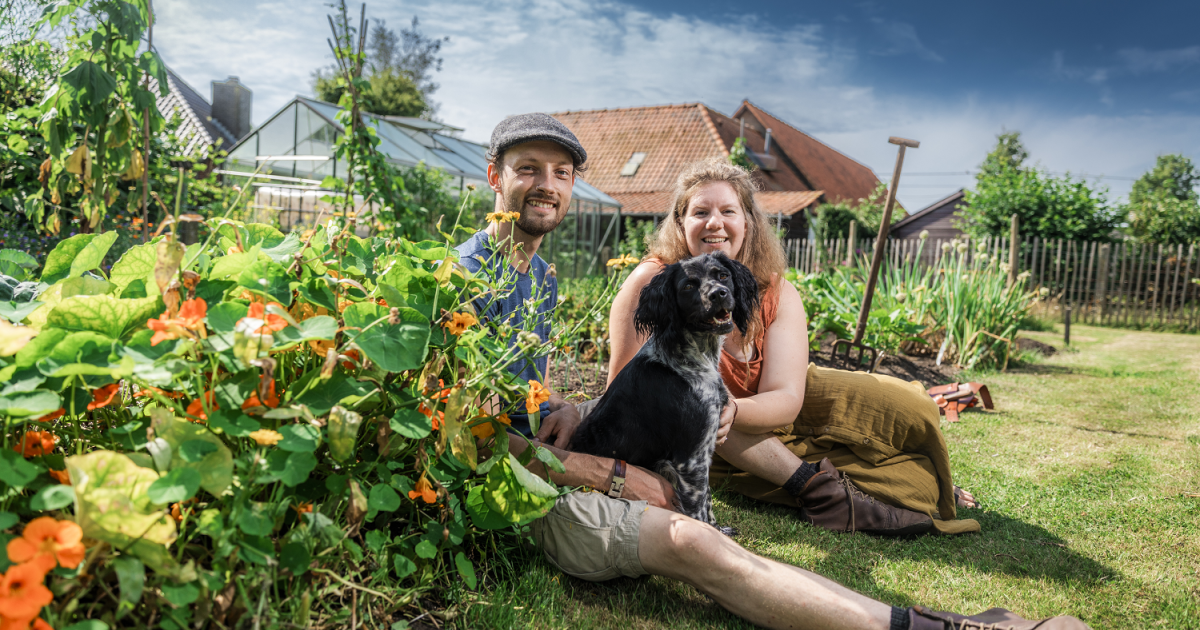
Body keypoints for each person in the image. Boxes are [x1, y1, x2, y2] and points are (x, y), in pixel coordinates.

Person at [458, 113, 1088, 630]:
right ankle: (944, 627)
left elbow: (524, 399)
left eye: (561, 173)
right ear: (493, 177)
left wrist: (558, 408)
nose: (548, 184)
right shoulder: (460, 280)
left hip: (557, 464)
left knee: (724, 528)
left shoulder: (538, 276)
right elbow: (459, 431)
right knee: (701, 543)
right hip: (529, 488)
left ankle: (938, 590)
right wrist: (612, 473)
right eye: (529, 170)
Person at [604, 158, 980, 536]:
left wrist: (734, 407)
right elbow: (624, 397)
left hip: (772, 403)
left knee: (913, 407)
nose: (714, 222)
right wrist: (719, 412)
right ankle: (825, 496)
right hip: (721, 440)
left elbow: (785, 396)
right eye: (700, 212)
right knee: (916, 492)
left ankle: (864, 483)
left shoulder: (773, 289)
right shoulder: (653, 284)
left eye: (728, 211)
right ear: (680, 222)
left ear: (747, 222)